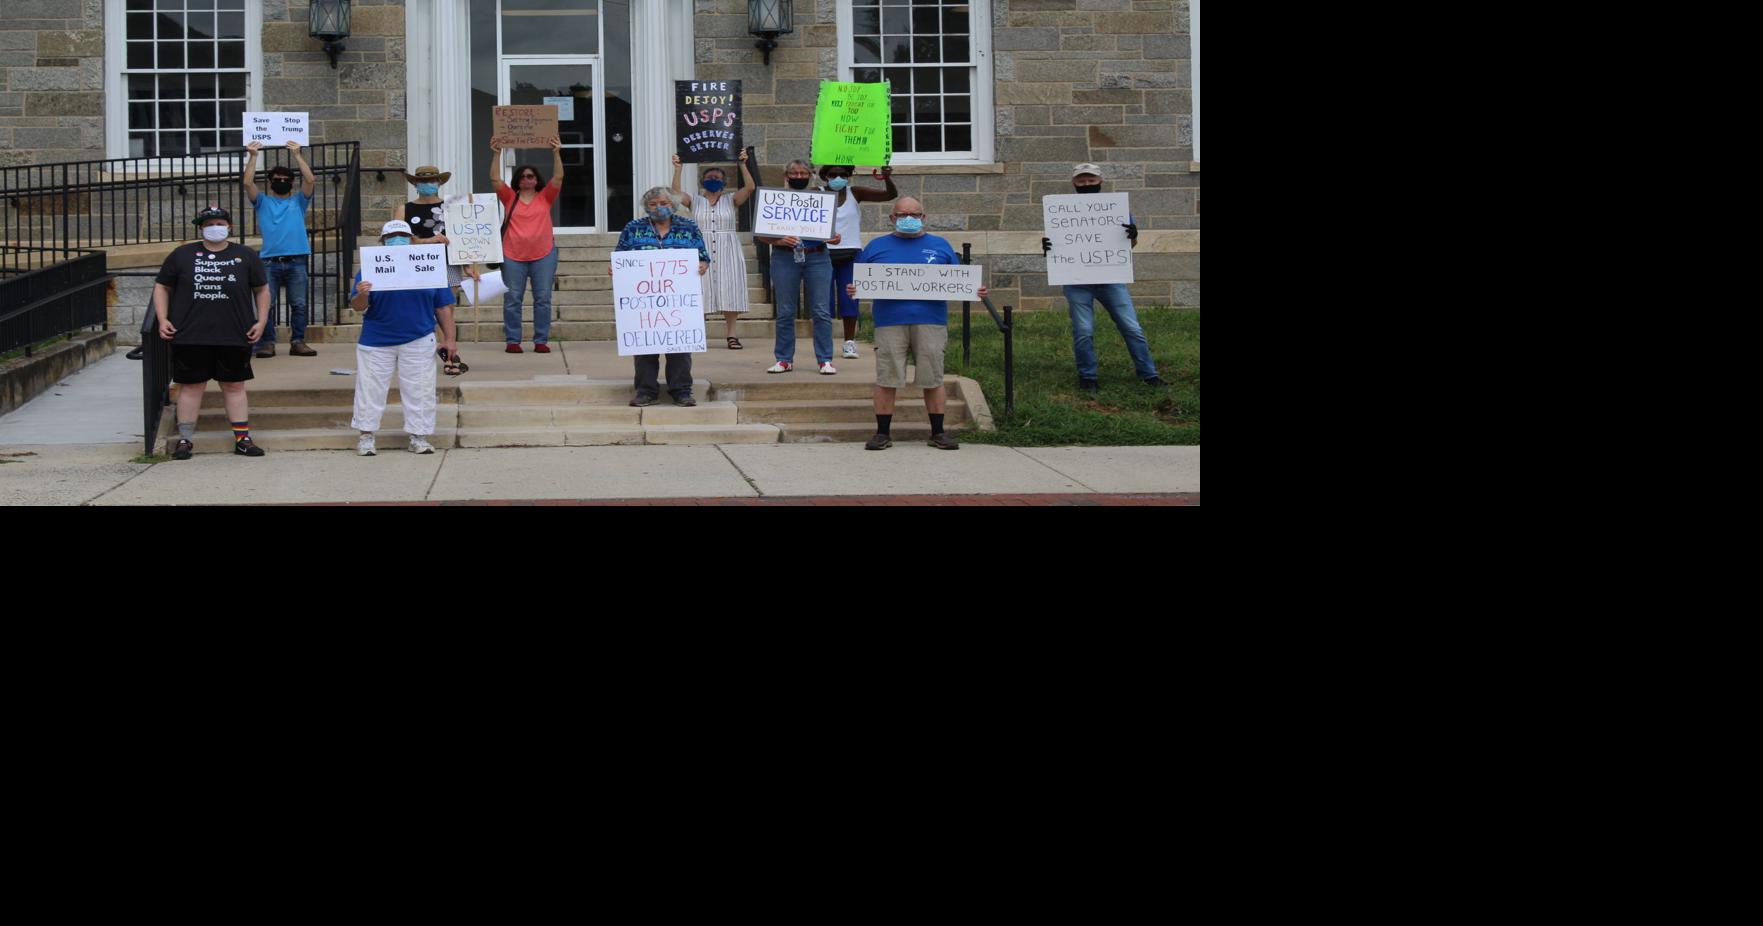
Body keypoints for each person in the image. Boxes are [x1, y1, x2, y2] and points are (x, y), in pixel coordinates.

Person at [846, 197, 985, 451]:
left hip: (930, 320)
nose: (908, 219)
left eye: (914, 214)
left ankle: (938, 432)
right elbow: (860, 279)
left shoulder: (940, 246)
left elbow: (958, 281)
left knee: (932, 376)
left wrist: (973, 289)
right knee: (887, 377)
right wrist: (854, 288)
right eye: (902, 214)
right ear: (892, 218)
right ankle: (882, 433)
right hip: (889, 321)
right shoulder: (876, 247)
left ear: (924, 217)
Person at [1042, 163, 1170, 393]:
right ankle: (1088, 376)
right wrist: (1048, 247)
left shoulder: (1115, 209)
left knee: (1131, 327)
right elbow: (1059, 247)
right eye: (1081, 181)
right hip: (1077, 280)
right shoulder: (1061, 211)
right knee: (1083, 331)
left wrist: (1133, 235)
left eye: (1091, 180)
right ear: (1074, 183)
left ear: (1100, 181)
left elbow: (1129, 245)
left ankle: (1149, 374)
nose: (1086, 184)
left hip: (1111, 278)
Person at [154, 205, 270, 460]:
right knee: (192, 386)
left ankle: (243, 439)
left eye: (219, 223)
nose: (214, 227)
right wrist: (163, 319)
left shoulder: (246, 255)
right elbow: (162, 287)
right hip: (190, 334)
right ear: (200, 228)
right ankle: (185, 440)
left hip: (235, 333)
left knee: (234, 385)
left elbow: (262, 289)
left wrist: (261, 321)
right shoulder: (181, 255)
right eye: (208, 224)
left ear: (230, 226)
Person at [346, 220, 457, 456]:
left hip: (418, 337)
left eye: (402, 235)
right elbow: (357, 306)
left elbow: (444, 306)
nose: (397, 239)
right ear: (383, 241)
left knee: (420, 389)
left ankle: (419, 436)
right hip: (376, 340)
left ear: (412, 239)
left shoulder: (429, 265)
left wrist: (450, 339)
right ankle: (366, 436)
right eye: (391, 236)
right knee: (370, 390)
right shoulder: (369, 268)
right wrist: (363, 293)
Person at [614, 187, 711, 408]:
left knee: (680, 348)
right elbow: (620, 255)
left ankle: (681, 391)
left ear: (674, 205)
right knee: (644, 348)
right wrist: (617, 269)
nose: (659, 207)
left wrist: (703, 265)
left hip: (678, 301)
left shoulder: (689, 227)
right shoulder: (633, 228)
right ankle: (646, 391)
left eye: (664, 203)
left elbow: (703, 255)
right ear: (646, 206)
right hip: (644, 303)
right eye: (654, 204)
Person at [756, 159, 841, 375]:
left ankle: (825, 359)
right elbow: (762, 234)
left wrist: (834, 238)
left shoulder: (821, 200)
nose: (799, 177)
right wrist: (778, 240)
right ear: (786, 176)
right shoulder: (775, 200)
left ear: (811, 175)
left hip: (817, 257)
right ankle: (784, 359)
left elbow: (834, 235)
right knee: (785, 311)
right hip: (784, 257)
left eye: (803, 173)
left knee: (821, 310)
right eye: (794, 173)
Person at [395, 164, 480, 375]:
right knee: (422, 309)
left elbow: (461, 237)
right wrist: (428, 241)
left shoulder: (451, 206)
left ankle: (448, 352)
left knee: (447, 309)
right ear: (415, 184)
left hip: (447, 262)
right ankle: (424, 352)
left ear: (439, 182)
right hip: (417, 263)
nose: (428, 184)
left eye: (432, 180)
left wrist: (467, 265)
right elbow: (397, 238)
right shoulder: (404, 209)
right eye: (423, 181)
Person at [671, 150, 755, 349]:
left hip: (728, 248)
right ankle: (698, 333)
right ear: (702, 181)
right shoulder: (695, 201)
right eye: (710, 177)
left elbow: (750, 187)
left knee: (730, 289)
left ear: (724, 182)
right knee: (700, 290)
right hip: (702, 248)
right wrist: (678, 169)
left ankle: (732, 335)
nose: (713, 180)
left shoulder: (731, 199)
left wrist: (743, 164)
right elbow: (675, 193)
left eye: (717, 178)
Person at [489, 136, 564, 353]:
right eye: (522, 176)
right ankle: (513, 340)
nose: (526, 179)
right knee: (512, 299)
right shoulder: (509, 197)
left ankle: (541, 340)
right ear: (517, 181)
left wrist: (556, 152)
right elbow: (494, 179)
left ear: (536, 179)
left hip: (544, 254)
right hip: (512, 255)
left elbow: (558, 177)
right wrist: (496, 153)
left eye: (530, 176)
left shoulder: (545, 197)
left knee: (543, 299)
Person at [243, 140, 316, 358]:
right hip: (269, 261)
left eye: (286, 180)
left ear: (292, 183)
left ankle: (298, 341)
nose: (282, 182)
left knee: (299, 304)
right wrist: (254, 156)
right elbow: (247, 184)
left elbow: (310, 180)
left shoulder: (299, 202)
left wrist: (297, 155)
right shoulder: (263, 202)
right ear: (270, 182)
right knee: (267, 305)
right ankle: (268, 343)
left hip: (296, 260)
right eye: (278, 179)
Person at [820, 163, 897, 359]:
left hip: (850, 253)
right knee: (823, 301)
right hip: (822, 253)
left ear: (849, 176)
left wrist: (886, 177)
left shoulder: (855, 192)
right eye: (833, 174)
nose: (838, 178)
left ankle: (849, 342)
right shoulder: (817, 193)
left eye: (843, 174)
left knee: (850, 299)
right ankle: (824, 342)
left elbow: (889, 195)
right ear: (825, 176)